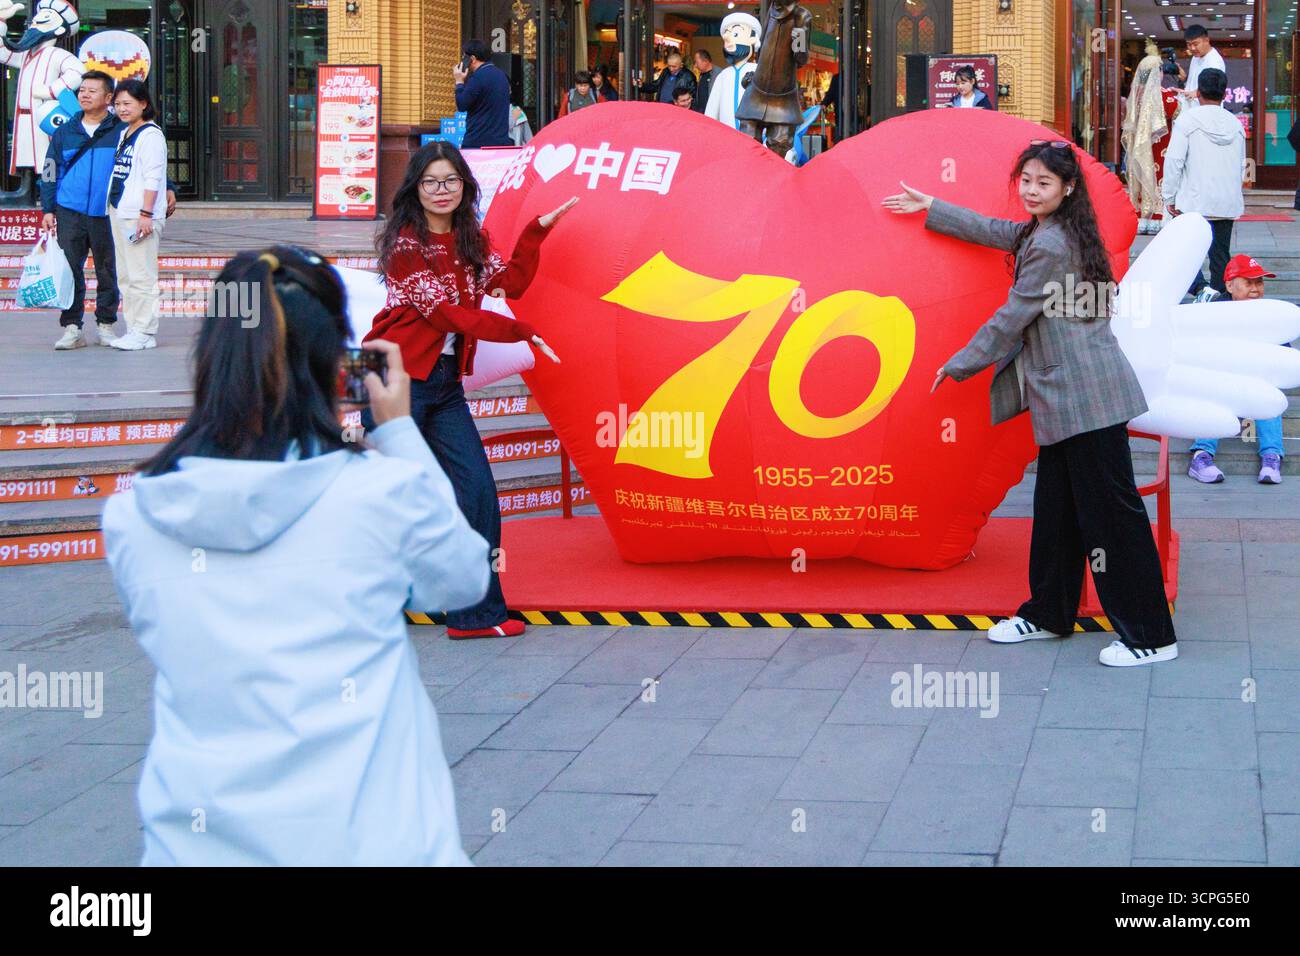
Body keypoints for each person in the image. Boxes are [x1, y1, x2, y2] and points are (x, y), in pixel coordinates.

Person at [103, 245, 481, 865]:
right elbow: (463, 578)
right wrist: (397, 430)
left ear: (213, 351)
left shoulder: (133, 518)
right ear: (338, 365)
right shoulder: (379, 494)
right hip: (376, 845)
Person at [882, 140, 1178, 667]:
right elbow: (1002, 232)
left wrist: (959, 363)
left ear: (1066, 188)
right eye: (1026, 181)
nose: (1031, 190)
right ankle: (1048, 614)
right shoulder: (1049, 231)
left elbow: (1011, 318)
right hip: (1066, 396)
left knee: (1113, 520)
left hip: (1085, 398)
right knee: (1058, 513)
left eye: (1043, 183)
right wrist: (933, 207)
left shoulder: (1052, 244)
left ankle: (1150, 635)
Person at [371, 142, 576, 639]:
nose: (442, 191)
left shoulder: (470, 241)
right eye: (431, 182)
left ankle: (475, 614)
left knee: (478, 492)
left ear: (465, 186)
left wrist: (536, 231)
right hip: (393, 380)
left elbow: (510, 284)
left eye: (451, 181)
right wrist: (519, 332)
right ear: (415, 189)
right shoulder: (405, 244)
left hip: (441, 386)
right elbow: (445, 314)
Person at [42, 70, 178, 351]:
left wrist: (169, 187)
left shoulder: (121, 127)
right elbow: (50, 170)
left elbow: (150, 164)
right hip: (70, 210)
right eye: (82, 90)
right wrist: (48, 208)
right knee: (70, 270)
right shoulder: (65, 131)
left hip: (106, 212)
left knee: (110, 271)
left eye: (93, 91)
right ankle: (72, 327)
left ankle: (106, 325)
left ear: (108, 98)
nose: (85, 95)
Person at [1188, 254, 1285, 485]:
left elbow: (1284, 356)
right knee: (1212, 390)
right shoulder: (1213, 312)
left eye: (1259, 282)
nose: (1255, 289)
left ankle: (1271, 457)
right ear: (1230, 285)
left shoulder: (1271, 314)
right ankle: (1201, 455)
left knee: (1270, 393)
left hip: (1255, 383)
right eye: (1249, 282)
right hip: (1221, 382)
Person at [1162, 68, 1244, 298]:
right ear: (1225, 94)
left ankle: (1200, 288)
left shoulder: (1187, 121)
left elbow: (1174, 160)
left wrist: (1169, 196)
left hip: (1194, 201)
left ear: (1198, 93)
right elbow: (1240, 164)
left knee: (1186, 252)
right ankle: (1218, 296)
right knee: (1220, 255)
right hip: (1226, 201)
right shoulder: (1235, 124)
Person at [106, 79, 168, 352]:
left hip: (139, 215)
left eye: (128, 103)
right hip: (120, 210)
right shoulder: (125, 133)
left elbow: (153, 177)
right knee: (126, 274)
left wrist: (146, 213)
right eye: (118, 104)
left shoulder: (151, 136)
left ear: (144, 103)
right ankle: (133, 327)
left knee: (141, 274)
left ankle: (145, 330)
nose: (122, 109)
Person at [705, 13, 762, 130]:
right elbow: (712, 109)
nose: (727, 39)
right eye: (726, 35)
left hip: (755, 138)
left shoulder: (759, 71)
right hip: (726, 138)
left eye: (735, 34)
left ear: (753, 38)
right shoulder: (723, 75)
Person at [453, 39, 512, 149]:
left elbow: (461, 104)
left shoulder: (478, 77)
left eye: (464, 57)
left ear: (472, 59)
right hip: (500, 143)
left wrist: (459, 81)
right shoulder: (502, 76)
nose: (462, 60)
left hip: (478, 142)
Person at [1176, 23, 1226, 106]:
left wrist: (1194, 93)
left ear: (1207, 40)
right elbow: (1193, 85)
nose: (1192, 48)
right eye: (1189, 44)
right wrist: (1184, 79)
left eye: (1195, 44)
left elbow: (1212, 92)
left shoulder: (1214, 61)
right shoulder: (1195, 57)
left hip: (1206, 111)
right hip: (1191, 108)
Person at [693, 50, 718, 115]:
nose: (695, 65)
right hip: (701, 113)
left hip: (712, 115)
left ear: (705, 61)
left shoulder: (719, 74)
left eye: (696, 62)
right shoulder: (701, 74)